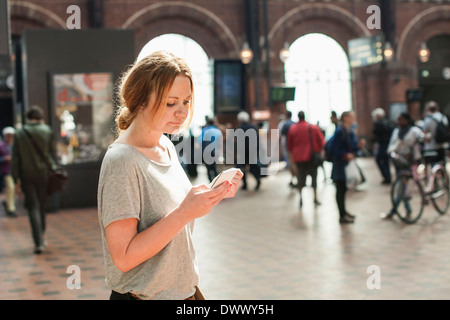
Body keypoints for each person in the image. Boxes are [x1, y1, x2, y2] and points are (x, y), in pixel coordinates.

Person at [97, 51, 243, 300]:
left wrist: (210, 195)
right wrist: (185, 212)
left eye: (186, 101)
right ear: (141, 101)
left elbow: (172, 220)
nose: (181, 112)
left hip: (184, 292)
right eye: (170, 102)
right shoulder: (122, 161)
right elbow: (123, 257)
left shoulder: (165, 146)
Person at [11, 106, 56, 253]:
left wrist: (15, 178)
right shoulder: (47, 130)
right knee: (42, 205)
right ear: (40, 117)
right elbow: (51, 154)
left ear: (28, 118)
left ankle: (38, 242)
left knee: (32, 207)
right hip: (43, 174)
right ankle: (41, 235)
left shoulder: (19, 133)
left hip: (26, 175)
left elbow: (15, 158)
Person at [380, 112, 424, 219]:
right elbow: (391, 145)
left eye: (401, 119)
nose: (399, 122)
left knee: (402, 188)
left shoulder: (414, 130)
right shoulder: (396, 131)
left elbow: (422, 138)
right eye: (398, 119)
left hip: (410, 162)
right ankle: (407, 210)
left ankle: (393, 211)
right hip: (398, 162)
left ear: (407, 120)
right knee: (402, 187)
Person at [287, 111, 325, 208]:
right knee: (314, 178)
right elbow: (322, 142)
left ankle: (301, 198)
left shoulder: (293, 129)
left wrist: (292, 161)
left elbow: (289, 146)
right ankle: (315, 198)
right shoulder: (313, 127)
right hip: (312, 158)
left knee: (300, 179)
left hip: (299, 158)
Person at [329, 111, 358, 224]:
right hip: (340, 165)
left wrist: (358, 148)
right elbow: (333, 148)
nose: (353, 118)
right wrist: (344, 155)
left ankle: (344, 212)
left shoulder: (349, 130)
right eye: (351, 116)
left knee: (344, 189)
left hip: (346, 164)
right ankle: (341, 215)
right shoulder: (340, 131)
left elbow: (352, 147)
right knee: (340, 190)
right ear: (345, 118)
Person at [236, 111, 261, 191]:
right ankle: (258, 180)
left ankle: (245, 184)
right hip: (252, 151)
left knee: (241, 168)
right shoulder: (253, 127)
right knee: (253, 167)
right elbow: (257, 140)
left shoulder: (240, 129)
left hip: (243, 152)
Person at [371, 108, 394, 184]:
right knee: (386, 161)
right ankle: (387, 176)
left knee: (379, 159)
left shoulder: (379, 124)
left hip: (383, 145)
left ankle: (386, 176)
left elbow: (375, 134)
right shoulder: (388, 122)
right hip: (387, 144)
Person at [422, 101, 448, 165]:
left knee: (431, 165)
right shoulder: (443, 117)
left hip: (431, 147)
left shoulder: (428, 119)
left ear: (428, 109)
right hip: (442, 145)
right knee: (442, 164)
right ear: (437, 108)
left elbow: (424, 132)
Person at [198, 116, 222, 182]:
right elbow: (220, 143)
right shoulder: (218, 131)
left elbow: (199, 141)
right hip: (215, 152)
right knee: (215, 167)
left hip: (206, 152)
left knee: (208, 168)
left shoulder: (205, 130)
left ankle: (211, 181)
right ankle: (217, 181)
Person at [0, 126, 16, 217]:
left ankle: (8, 203)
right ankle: (11, 209)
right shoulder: (1, 146)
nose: (9, 138)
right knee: (10, 188)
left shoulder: (15, 146)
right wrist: (4, 159)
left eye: (11, 136)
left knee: (13, 189)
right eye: (8, 136)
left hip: (15, 170)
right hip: (6, 170)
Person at [280, 111, 297, 187]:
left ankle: (295, 179)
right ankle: (295, 179)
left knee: (291, 164)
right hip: (296, 147)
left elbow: (282, 135)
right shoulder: (295, 123)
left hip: (289, 147)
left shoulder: (285, 124)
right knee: (295, 163)